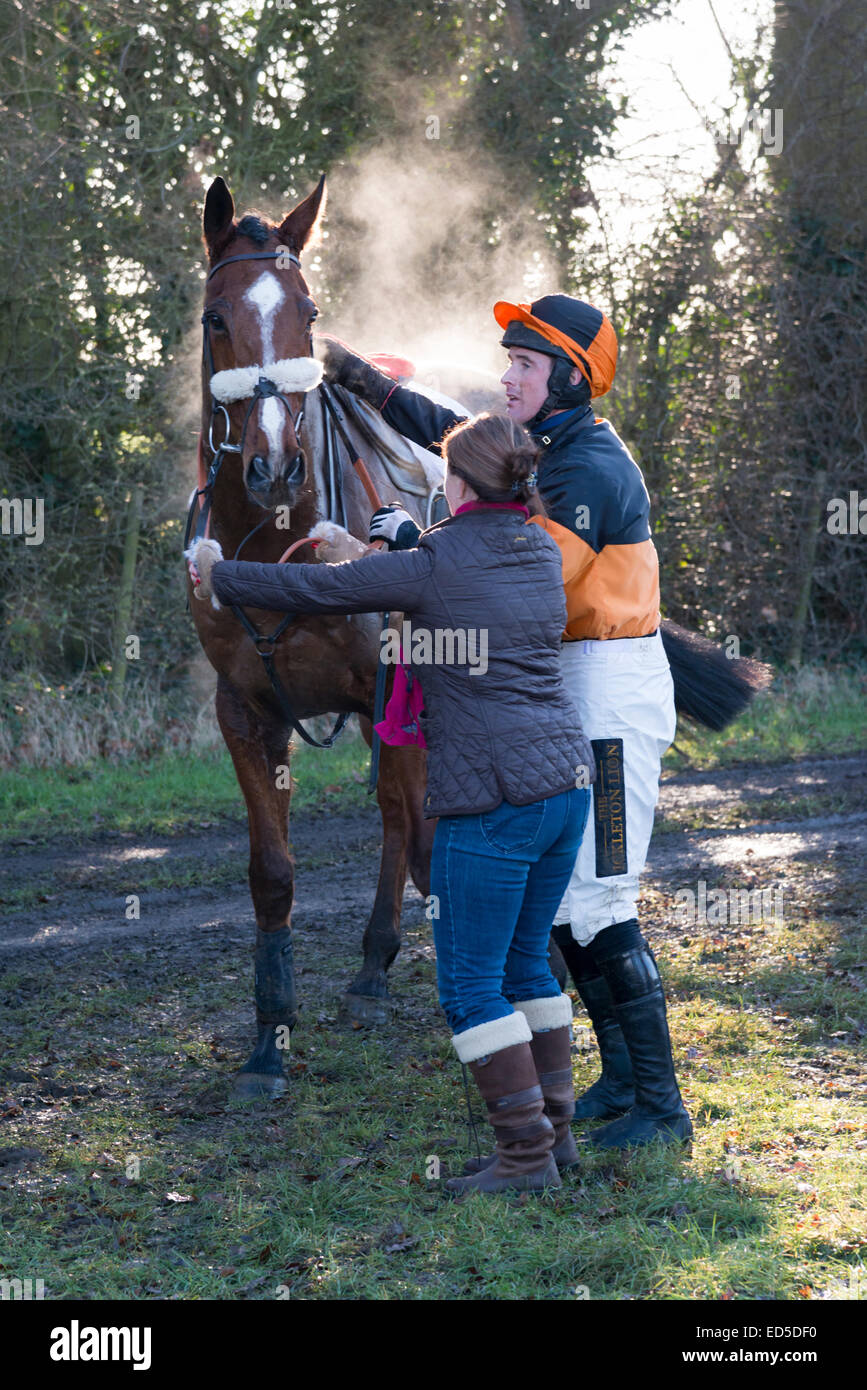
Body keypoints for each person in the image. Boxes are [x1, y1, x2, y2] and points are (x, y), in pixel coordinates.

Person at [321, 294, 692, 1149]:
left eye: (524, 365)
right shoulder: (548, 447)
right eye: (508, 362)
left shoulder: (589, 467)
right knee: (565, 905)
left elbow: (523, 578)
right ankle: (625, 1081)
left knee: (600, 903)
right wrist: (357, 377)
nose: (506, 377)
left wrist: (423, 539)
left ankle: (662, 1107)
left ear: (569, 376)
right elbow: (458, 435)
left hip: (604, 692)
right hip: (569, 684)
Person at [191, 412, 595, 1195]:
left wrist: (221, 570)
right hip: (562, 791)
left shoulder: (432, 563)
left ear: (457, 483)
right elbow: (452, 571)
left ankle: (521, 1160)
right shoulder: (537, 549)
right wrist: (404, 542)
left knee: (471, 983)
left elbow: (321, 588)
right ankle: (555, 1140)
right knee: (524, 967)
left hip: (494, 798)